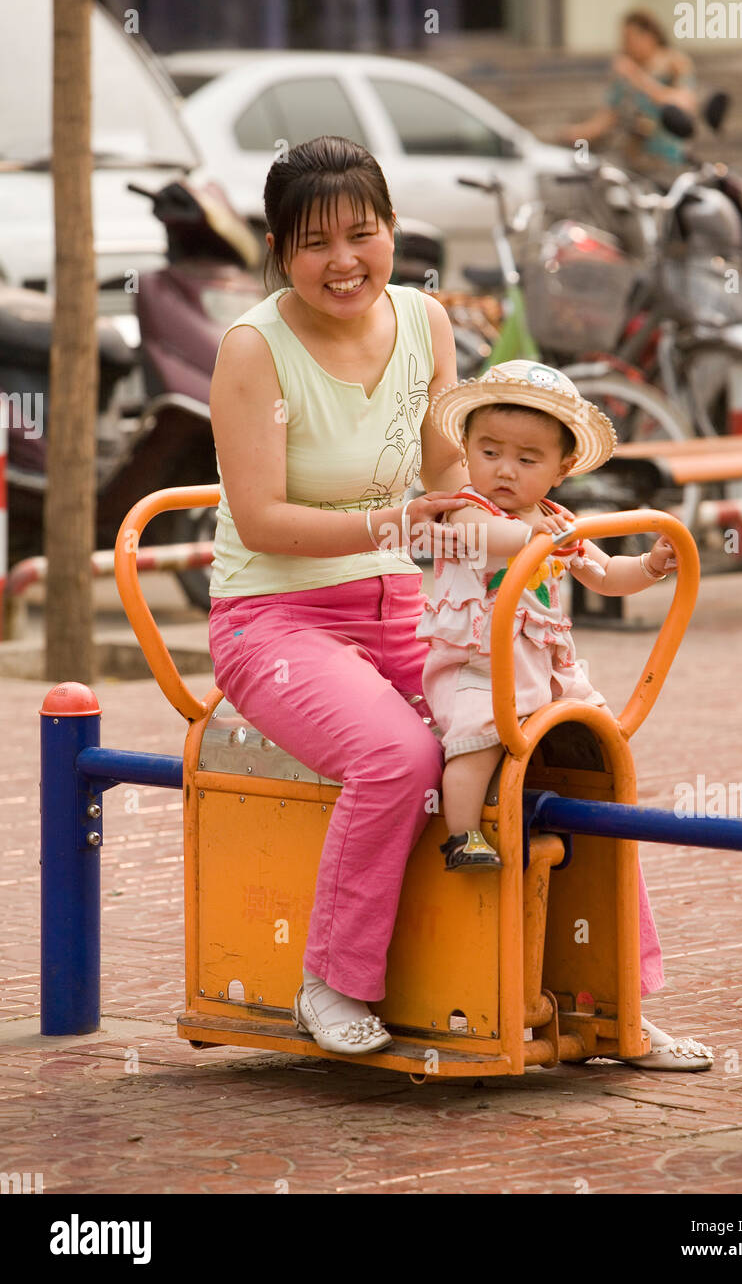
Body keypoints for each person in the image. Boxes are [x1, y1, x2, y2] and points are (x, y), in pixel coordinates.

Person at [207, 135, 471, 1058]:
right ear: (280, 251)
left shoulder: (428, 323)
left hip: (402, 605)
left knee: (546, 729)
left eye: (362, 233)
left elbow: (446, 472)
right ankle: (332, 984)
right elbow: (265, 521)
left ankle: (612, 999)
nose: (343, 261)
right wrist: (397, 526)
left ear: (393, 229)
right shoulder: (254, 349)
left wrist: (514, 499)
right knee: (398, 755)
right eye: (314, 242)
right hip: (271, 619)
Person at [416, 358, 713, 1070]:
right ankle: (464, 837)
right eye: (489, 453)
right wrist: (533, 536)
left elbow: (604, 575)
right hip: (479, 675)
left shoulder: (558, 522)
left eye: (526, 459)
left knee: (605, 768)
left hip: (547, 679)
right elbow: (483, 542)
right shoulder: (468, 511)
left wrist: (649, 566)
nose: (504, 472)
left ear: (560, 468)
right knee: (475, 748)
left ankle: (620, 1005)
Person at [559, 8, 698, 181]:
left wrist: (637, 77)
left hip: (669, 162)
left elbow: (682, 102)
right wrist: (577, 133)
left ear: (649, 36)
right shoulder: (625, 75)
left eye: (629, 39)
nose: (624, 45)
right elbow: (608, 116)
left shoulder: (674, 64)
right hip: (634, 161)